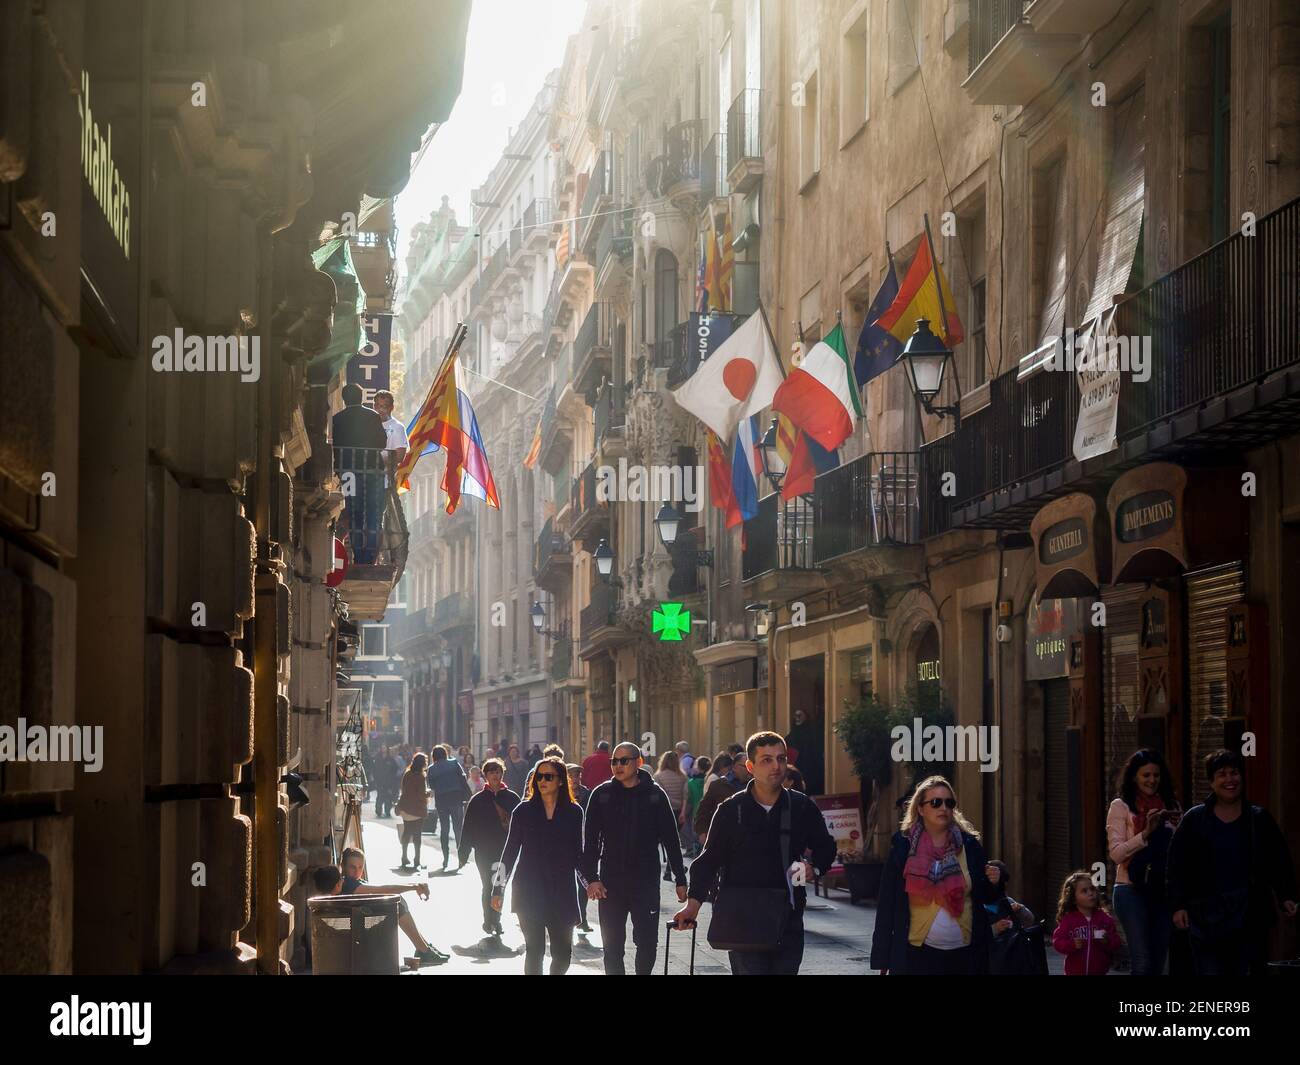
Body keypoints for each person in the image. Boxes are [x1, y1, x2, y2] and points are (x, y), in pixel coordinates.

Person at [673, 732, 836, 975]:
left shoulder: (801, 806)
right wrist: (692, 907)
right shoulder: (731, 809)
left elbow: (826, 847)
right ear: (750, 766)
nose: (776, 766)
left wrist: (816, 867)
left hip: (787, 918)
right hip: (742, 919)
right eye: (766, 760)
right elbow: (708, 861)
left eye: (780, 759)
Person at [1167, 748, 1298, 976]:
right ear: (1211, 782)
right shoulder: (1195, 820)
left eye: (1234, 773)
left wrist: (1286, 895)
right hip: (1206, 916)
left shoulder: (1259, 819)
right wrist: (1178, 905)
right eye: (1222, 774)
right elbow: (1177, 865)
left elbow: (1279, 861)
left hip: (1249, 916)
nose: (1230, 780)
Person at [870, 775, 997, 975]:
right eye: (936, 802)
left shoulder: (969, 847)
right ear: (920, 808)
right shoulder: (903, 850)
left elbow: (986, 896)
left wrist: (995, 880)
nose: (943, 808)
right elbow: (887, 905)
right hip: (916, 956)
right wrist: (883, 957)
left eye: (949, 802)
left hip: (965, 955)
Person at [584, 742, 688, 974]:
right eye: (614, 761)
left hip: (646, 882)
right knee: (612, 947)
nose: (617, 766)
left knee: (647, 943)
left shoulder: (655, 795)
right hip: (610, 883)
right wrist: (592, 878)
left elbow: (671, 840)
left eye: (624, 761)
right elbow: (589, 842)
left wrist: (680, 879)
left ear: (638, 763)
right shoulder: (601, 795)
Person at [492, 755, 586, 975]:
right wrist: (498, 888)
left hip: (562, 891)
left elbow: (578, 854)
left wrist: (590, 881)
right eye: (538, 776)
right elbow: (508, 853)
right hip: (528, 891)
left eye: (548, 776)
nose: (542, 780)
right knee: (535, 950)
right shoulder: (523, 811)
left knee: (563, 953)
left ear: (561, 781)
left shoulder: (574, 812)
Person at [1107, 748, 1181, 975]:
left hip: (1162, 890)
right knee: (1142, 961)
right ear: (1134, 777)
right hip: (1130, 890)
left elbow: (1180, 851)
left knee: (1159, 961)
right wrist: (1146, 833)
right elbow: (1117, 854)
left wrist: (1175, 824)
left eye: (1156, 775)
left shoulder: (1171, 805)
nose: (1152, 780)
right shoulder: (1120, 806)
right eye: (1145, 775)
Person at [311, 861, 446, 965]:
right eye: (341, 878)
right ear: (337, 885)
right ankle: (423, 950)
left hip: (349, 923)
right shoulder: (348, 886)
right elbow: (383, 890)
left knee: (398, 902)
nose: (343, 878)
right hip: (355, 925)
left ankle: (424, 947)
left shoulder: (321, 895)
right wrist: (413, 887)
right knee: (397, 903)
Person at [460, 757, 521, 936]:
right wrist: (463, 852)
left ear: (502, 774)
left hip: (505, 852)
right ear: (485, 775)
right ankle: (488, 919)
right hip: (484, 851)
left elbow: (521, 825)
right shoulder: (477, 799)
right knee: (487, 885)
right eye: (491, 772)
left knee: (499, 885)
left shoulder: (512, 798)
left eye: (498, 771)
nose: (495, 775)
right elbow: (468, 825)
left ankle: (497, 919)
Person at [331, 383, 388, 564]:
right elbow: (382, 443)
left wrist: (339, 470)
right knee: (372, 512)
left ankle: (357, 554)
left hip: (348, 474)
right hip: (372, 472)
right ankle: (369, 555)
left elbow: (337, 446)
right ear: (362, 397)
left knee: (354, 512)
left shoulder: (338, 418)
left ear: (344, 399)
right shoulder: (373, 416)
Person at [1051, 871, 1119, 975]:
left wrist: (1107, 941)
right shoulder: (1069, 920)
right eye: (1084, 891)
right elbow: (1057, 942)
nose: (1090, 893)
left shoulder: (1105, 919)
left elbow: (1116, 943)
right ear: (1073, 899)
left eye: (1092, 889)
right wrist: (1072, 944)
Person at [426, 745, 472, 871]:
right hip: (456, 798)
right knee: (458, 828)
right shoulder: (454, 763)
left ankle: (445, 858)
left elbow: (431, 785)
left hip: (442, 800)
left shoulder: (431, 768)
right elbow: (463, 778)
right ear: (445, 754)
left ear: (434, 756)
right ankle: (461, 857)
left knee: (444, 829)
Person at [692, 752, 750, 842]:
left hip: (746, 837)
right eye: (745, 766)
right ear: (734, 767)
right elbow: (704, 809)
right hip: (722, 835)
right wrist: (702, 831)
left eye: (751, 767)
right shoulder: (718, 785)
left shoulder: (755, 786)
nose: (748, 770)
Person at [652, 750, 689, 881]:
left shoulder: (658, 776)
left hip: (663, 811)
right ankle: (670, 870)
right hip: (679, 812)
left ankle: (667, 871)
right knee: (673, 842)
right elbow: (685, 796)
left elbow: (659, 796)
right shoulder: (683, 776)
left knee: (663, 842)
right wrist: (683, 812)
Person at [567, 764, 594, 932]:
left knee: (583, 882)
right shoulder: (559, 794)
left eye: (577, 775)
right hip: (564, 844)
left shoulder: (588, 794)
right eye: (571, 775)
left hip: (583, 843)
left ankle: (582, 918)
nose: (575, 779)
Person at [395, 752, 430, 869]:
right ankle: (417, 860)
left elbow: (403, 789)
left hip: (405, 808)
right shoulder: (420, 776)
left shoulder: (407, 773)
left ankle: (404, 857)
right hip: (417, 810)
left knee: (406, 832)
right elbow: (421, 795)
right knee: (417, 835)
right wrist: (428, 794)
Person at [784, 708, 823, 796]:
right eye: (796, 716)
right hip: (795, 773)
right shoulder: (789, 738)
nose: (797, 718)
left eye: (800, 715)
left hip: (812, 772)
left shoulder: (814, 736)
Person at [373, 389, 408, 471]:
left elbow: (400, 456)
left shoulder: (398, 427)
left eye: (385, 406)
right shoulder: (368, 425)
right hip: (366, 475)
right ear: (374, 407)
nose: (381, 409)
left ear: (392, 407)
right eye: (378, 406)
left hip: (387, 478)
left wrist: (374, 461)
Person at [683, 755, 711, 858]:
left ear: (698, 767)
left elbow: (688, 801)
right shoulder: (710, 780)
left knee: (696, 839)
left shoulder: (691, 783)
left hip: (696, 814)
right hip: (709, 815)